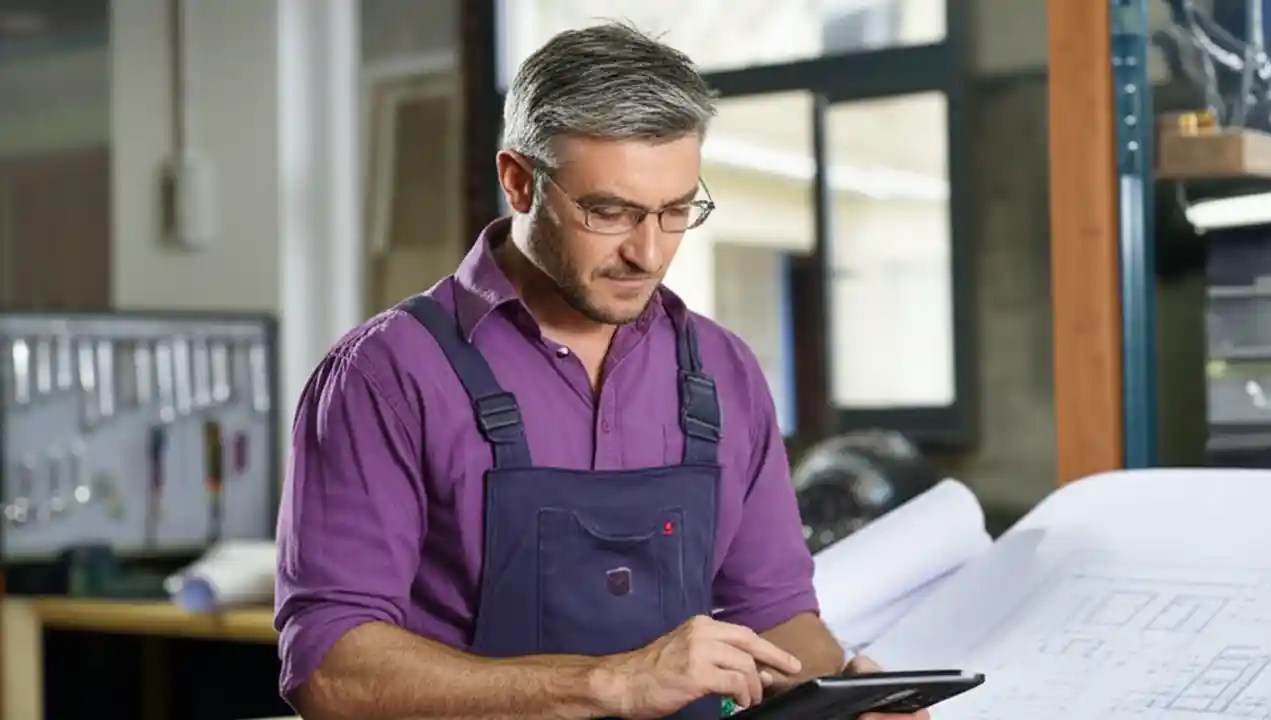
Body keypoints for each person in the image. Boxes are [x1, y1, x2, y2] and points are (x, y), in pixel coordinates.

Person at [274, 21, 928, 720]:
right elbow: (331, 671)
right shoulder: (386, 376)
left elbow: (777, 616)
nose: (648, 253)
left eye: (675, 211)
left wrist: (844, 696)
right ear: (519, 182)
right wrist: (608, 683)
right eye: (610, 212)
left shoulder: (723, 370)